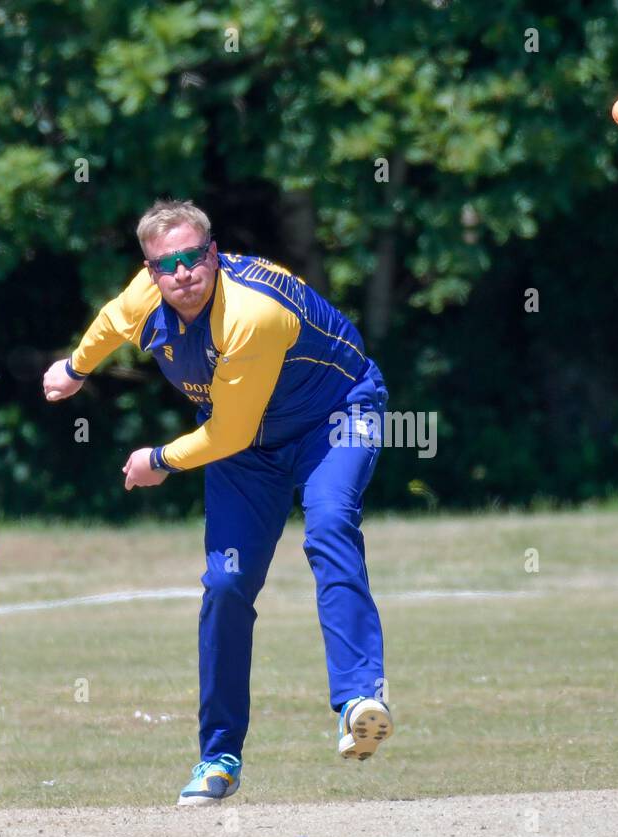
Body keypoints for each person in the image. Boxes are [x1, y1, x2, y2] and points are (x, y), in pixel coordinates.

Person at [42, 199, 393, 805]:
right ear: (150, 270)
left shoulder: (249, 314)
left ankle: (360, 698)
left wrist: (159, 460)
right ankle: (219, 757)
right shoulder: (147, 294)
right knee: (227, 584)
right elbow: (112, 322)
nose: (181, 273)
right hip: (247, 444)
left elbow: (226, 432)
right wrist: (74, 368)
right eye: (165, 264)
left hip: (334, 417)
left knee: (330, 523)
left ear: (213, 254)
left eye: (192, 258)